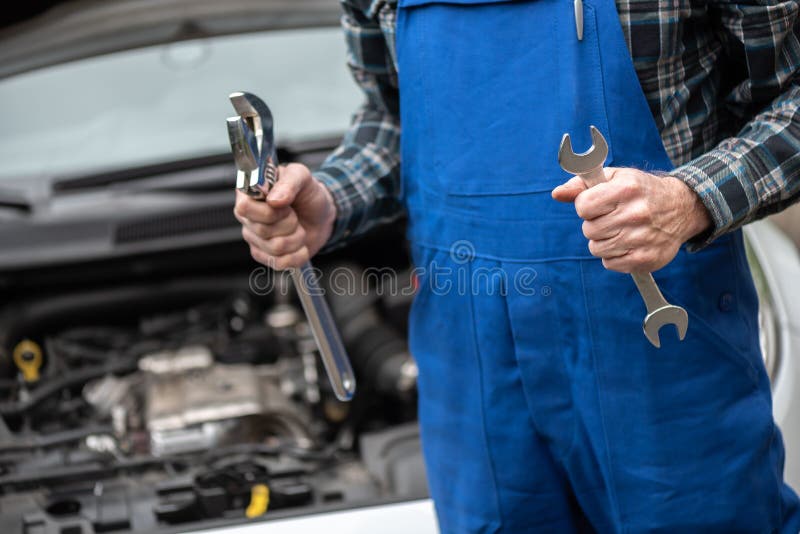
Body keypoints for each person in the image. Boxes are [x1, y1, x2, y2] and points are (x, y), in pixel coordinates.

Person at [234, 0, 800, 531]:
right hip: (470, 372)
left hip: (662, 357)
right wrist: (333, 199)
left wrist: (691, 199)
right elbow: (390, 116)